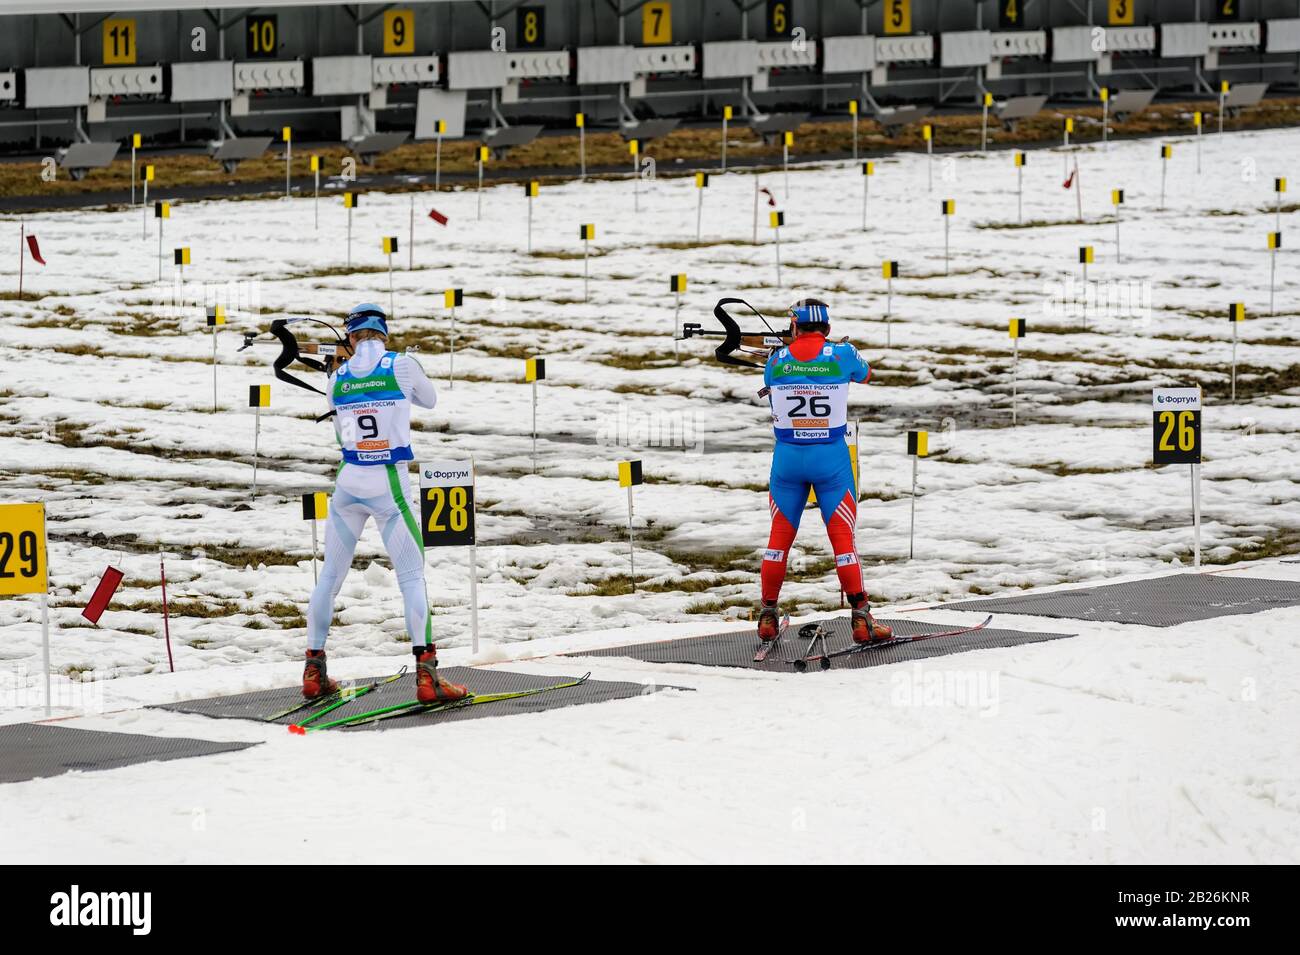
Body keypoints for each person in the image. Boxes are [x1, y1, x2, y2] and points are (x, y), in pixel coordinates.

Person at [301, 303, 469, 704]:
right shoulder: (401, 364)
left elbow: (341, 418)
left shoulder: (338, 375)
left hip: (348, 481)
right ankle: (427, 676)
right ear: (383, 333)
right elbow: (429, 400)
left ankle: (313, 669)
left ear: (352, 336)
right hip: (388, 481)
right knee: (411, 577)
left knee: (329, 578)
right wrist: (410, 366)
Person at [756, 298, 892, 645]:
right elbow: (866, 373)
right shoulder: (842, 354)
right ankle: (862, 620)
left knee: (778, 540)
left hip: (787, 460)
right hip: (830, 460)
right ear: (827, 329)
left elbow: (774, 374)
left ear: (793, 328)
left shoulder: (776, 361)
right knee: (843, 542)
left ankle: (768, 615)